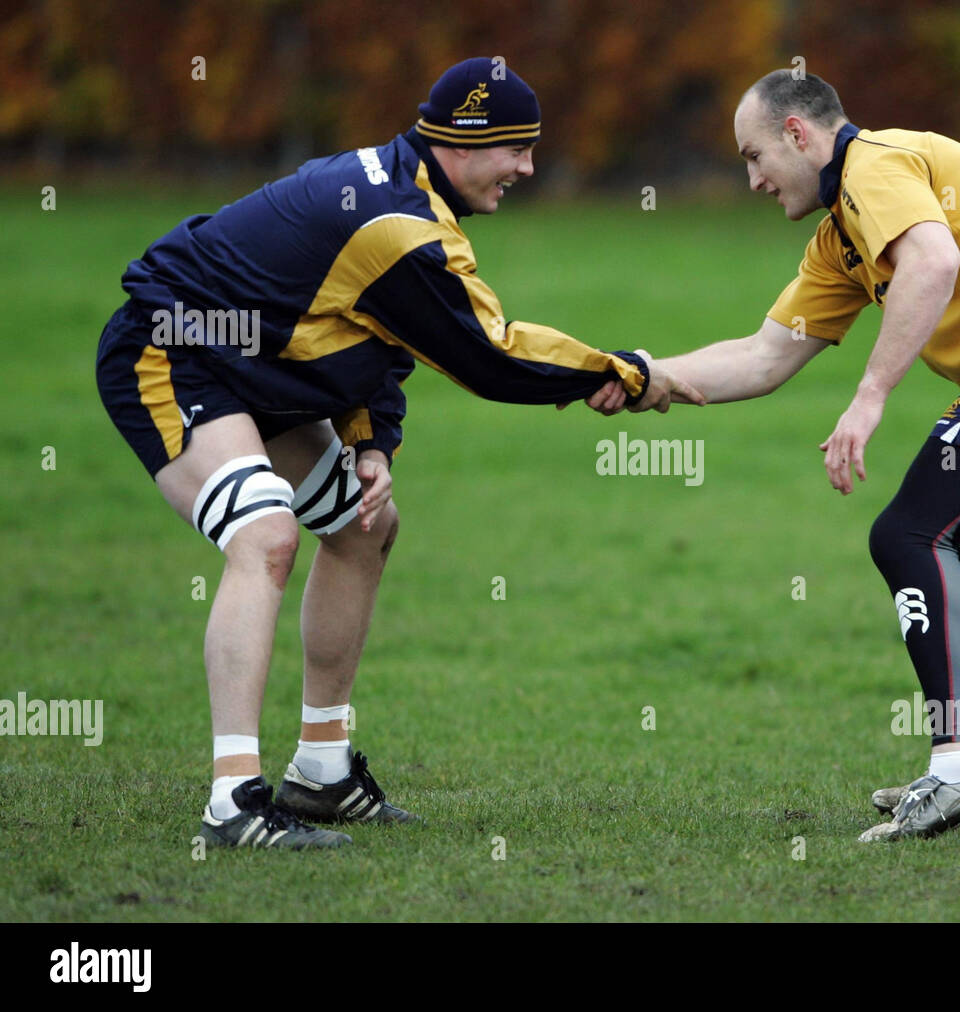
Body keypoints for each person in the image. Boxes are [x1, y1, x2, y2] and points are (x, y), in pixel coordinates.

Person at [96, 57, 701, 849]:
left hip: (257, 369)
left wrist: (370, 440)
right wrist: (619, 369)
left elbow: (364, 327)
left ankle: (320, 771)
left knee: (365, 527)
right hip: (172, 353)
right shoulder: (400, 224)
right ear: (460, 141)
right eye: (515, 148)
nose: (527, 166)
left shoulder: (404, 195)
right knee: (266, 536)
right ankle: (233, 803)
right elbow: (489, 355)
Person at [598, 69, 960, 841]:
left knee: (906, 534)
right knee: (959, 535)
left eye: (754, 155)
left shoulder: (876, 165)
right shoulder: (841, 239)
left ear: (799, 135)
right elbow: (765, 358)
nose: (753, 178)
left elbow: (933, 262)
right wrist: (644, 376)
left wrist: (869, 398)